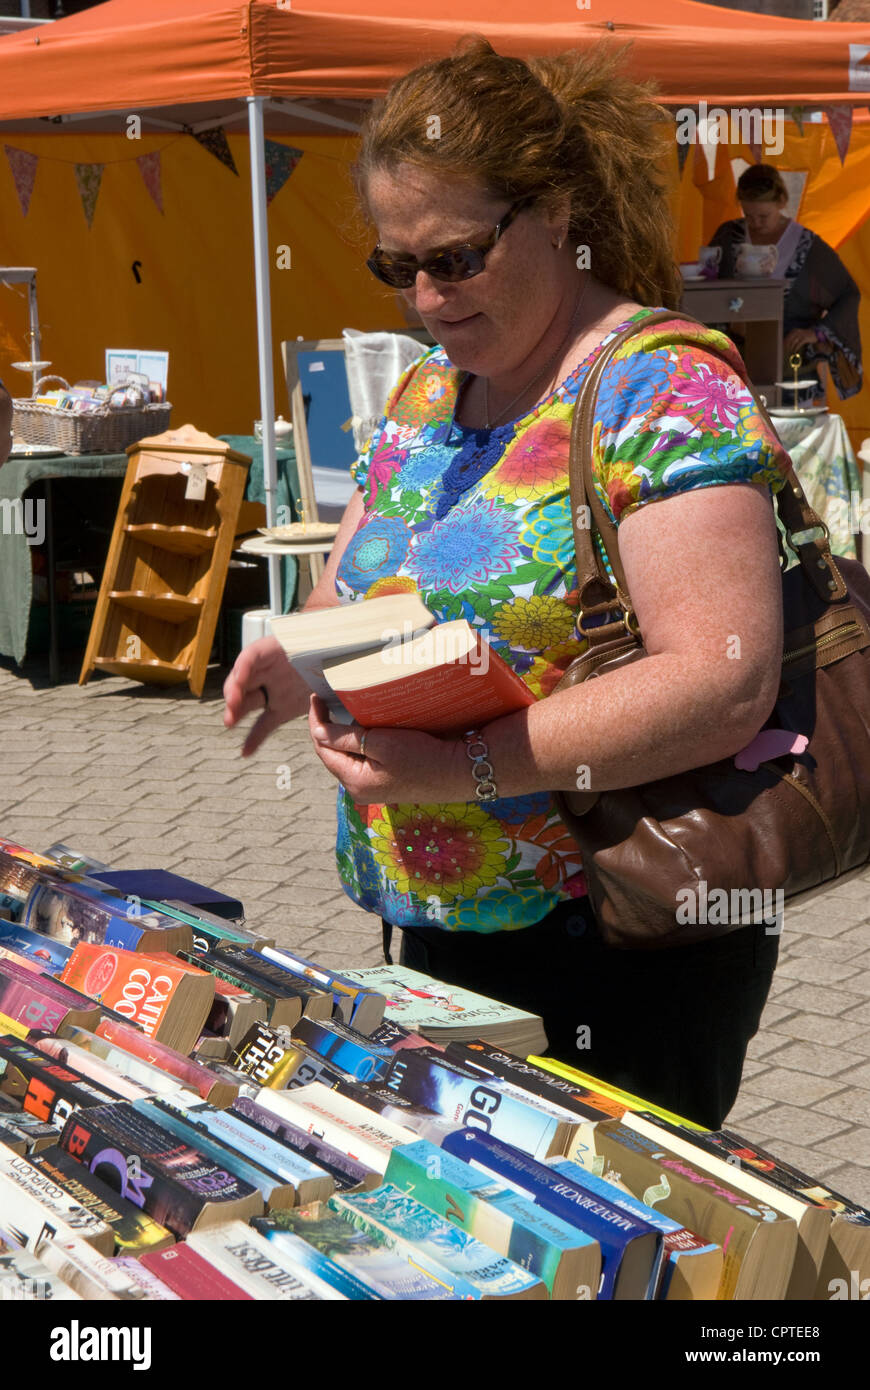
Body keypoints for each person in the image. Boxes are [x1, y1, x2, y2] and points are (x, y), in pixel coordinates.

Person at [224, 39, 792, 1130]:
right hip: (439, 929)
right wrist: (296, 657)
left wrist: (460, 768)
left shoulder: (662, 388)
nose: (428, 298)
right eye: (398, 268)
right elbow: (359, 590)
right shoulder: (433, 394)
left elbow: (723, 682)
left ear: (559, 213)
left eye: (457, 257)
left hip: (618, 937)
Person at [710, 163, 862, 404]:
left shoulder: (808, 247)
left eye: (763, 216)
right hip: (735, 369)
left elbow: (848, 294)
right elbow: (708, 286)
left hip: (792, 371)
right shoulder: (729, 236)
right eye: (748, 216)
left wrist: (816, 334)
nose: (756, 223)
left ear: (782, 202)